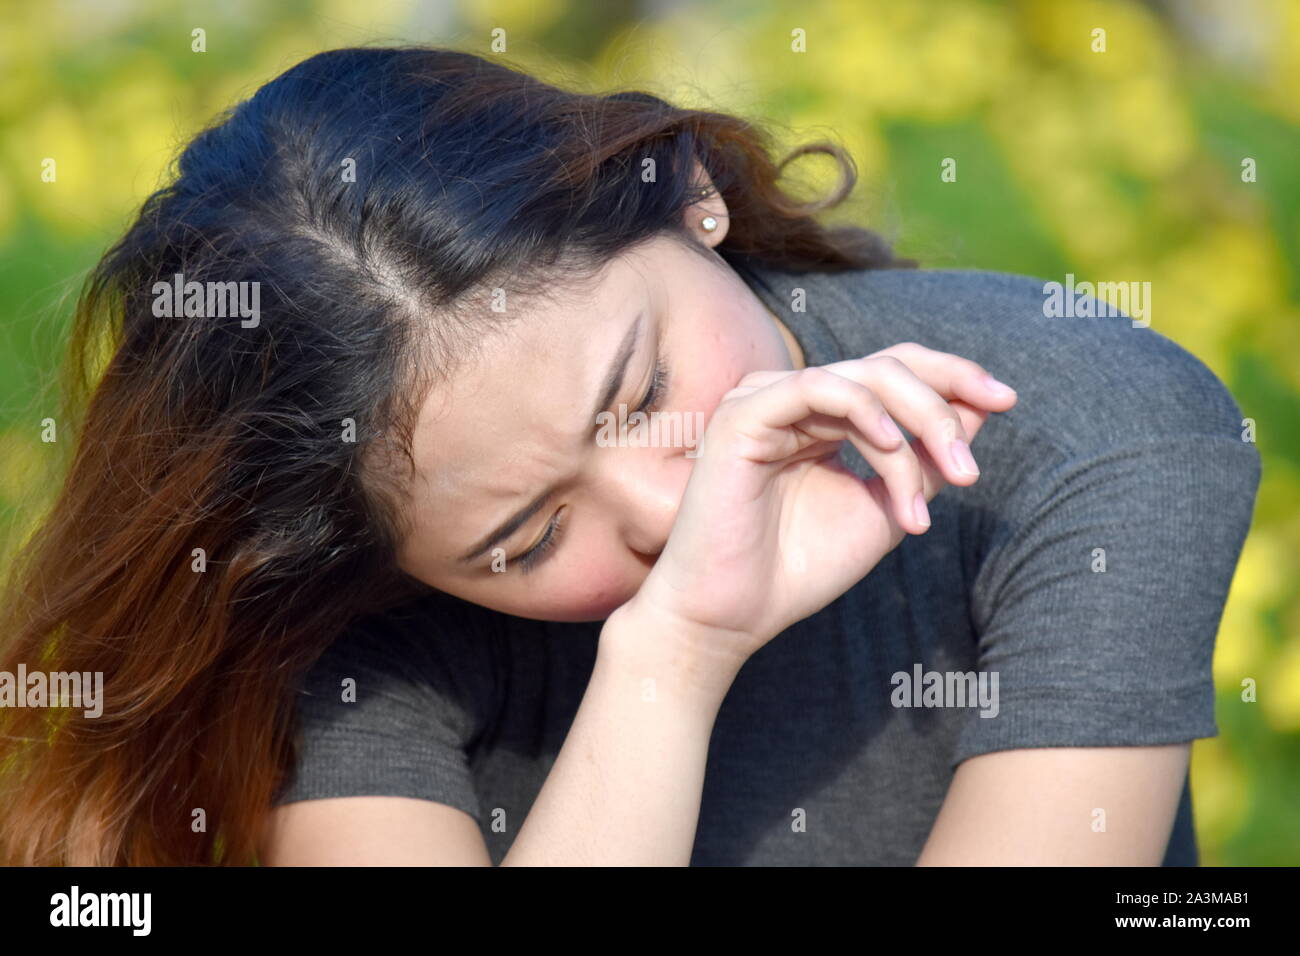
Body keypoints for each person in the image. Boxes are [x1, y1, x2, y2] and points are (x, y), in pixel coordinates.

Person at [0, 46, 1259, 866]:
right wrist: (670, 660)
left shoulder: (1091, 428)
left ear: (689, 193)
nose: (667, 507)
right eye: (530, 538)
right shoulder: (359, 606)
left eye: (642, 390)